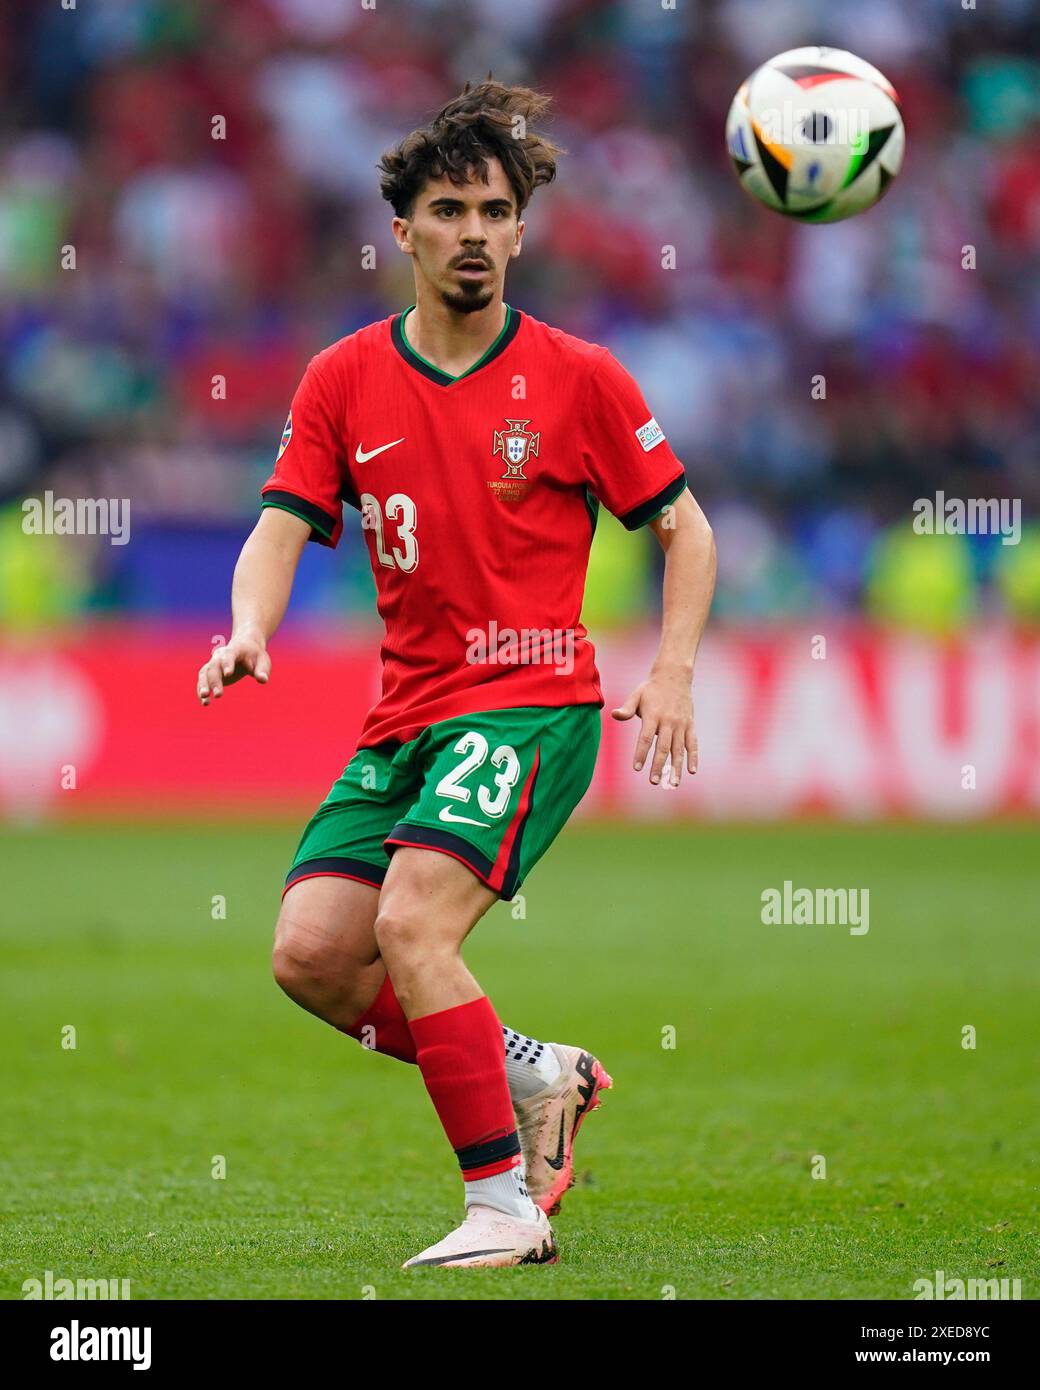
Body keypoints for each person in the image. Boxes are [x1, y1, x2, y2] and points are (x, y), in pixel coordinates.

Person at [196, 80, 716, 1269]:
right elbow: (279, 523)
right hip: (408, 710)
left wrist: (673, 665)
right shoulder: (341, 379)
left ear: (521, 230)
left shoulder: (580, 376)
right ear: (405, 231)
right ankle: (533, 1072)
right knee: (313, 956)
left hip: (531, 698)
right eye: (449, 208)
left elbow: (685, 527)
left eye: (495, 209)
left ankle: (501, 1207)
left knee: (414, 921)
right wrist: (247, 625)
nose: (474, 229)